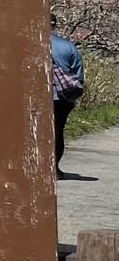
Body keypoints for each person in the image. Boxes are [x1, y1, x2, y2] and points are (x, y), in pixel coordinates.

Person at [51, 15, 86, 175]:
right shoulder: (68, 46)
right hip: (62, 98)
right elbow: (78, 76)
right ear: (55, 25)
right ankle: (54, 169)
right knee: (57, 131)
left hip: (33, 99)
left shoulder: (29, 43)